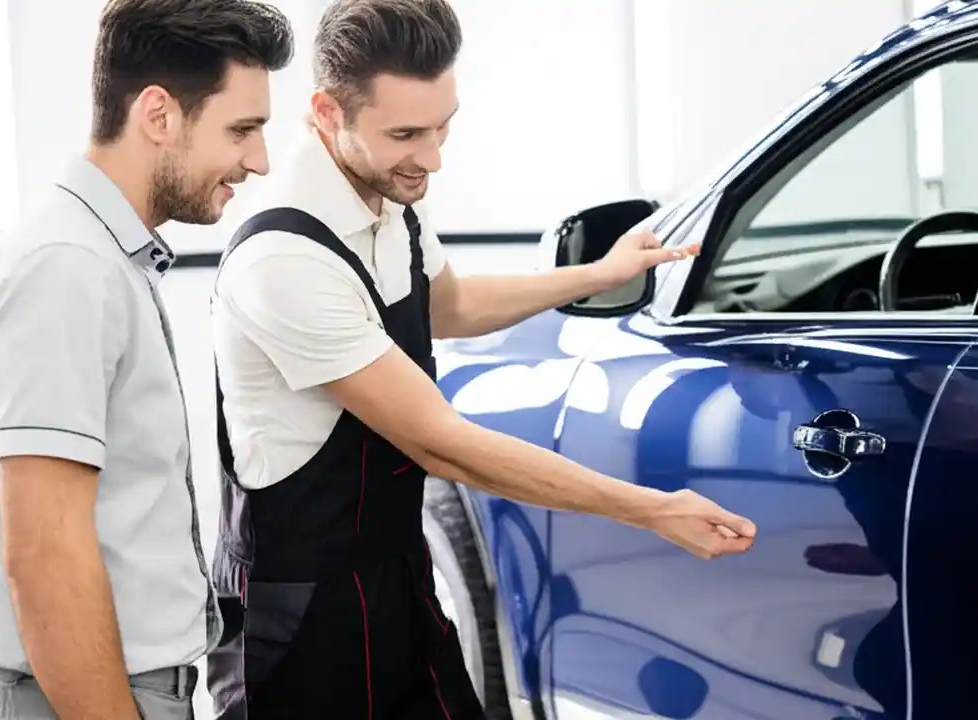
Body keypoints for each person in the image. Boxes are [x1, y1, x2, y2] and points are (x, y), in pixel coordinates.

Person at [204, 0, 757, 717]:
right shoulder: (283, 256)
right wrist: (652, 511)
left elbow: (449, 305)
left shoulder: (388, 190)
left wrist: (597, 274)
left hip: (399, 578)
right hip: (303, 618)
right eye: (406, 133)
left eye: (443, 127)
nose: (432, 158)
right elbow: (446, 446)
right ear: (326, 113)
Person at [0, 1, 293, 718]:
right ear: (159, 114)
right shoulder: (65, 268)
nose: (258, 160)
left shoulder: (99, 259)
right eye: (242, 129)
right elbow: (46, 558)